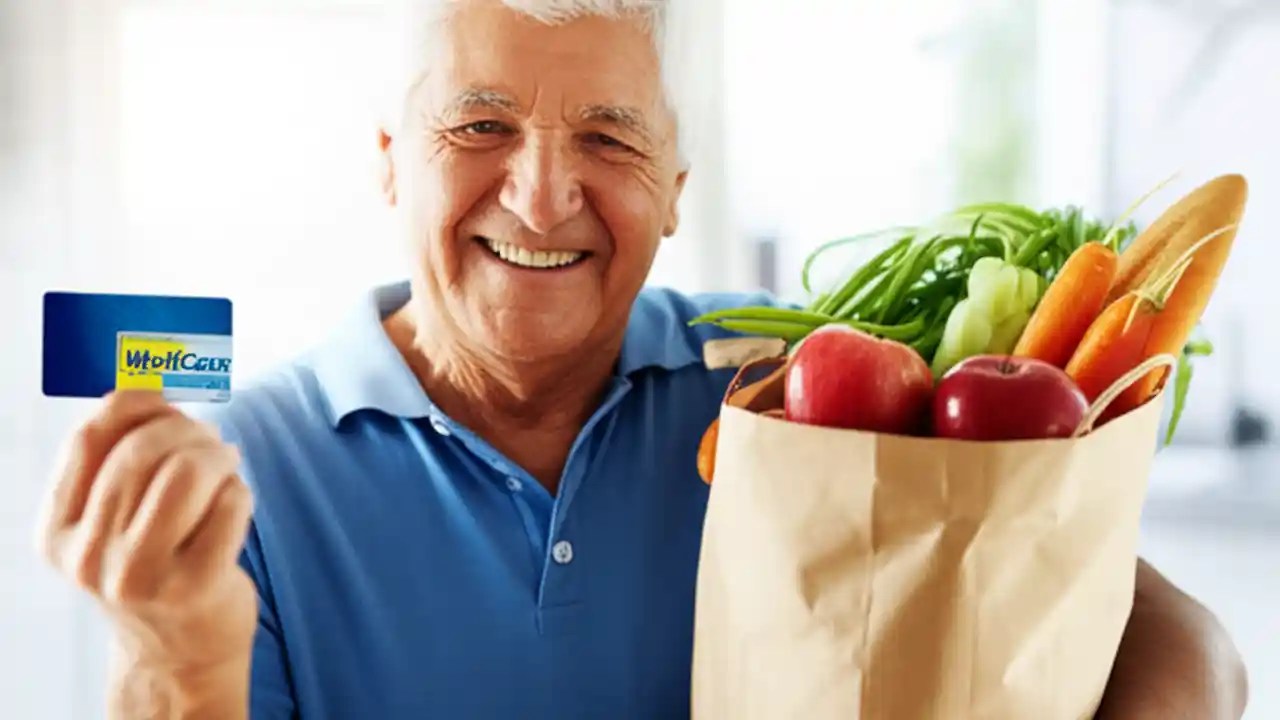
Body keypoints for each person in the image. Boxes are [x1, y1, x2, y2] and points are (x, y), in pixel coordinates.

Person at [34, 1, 1248, 718]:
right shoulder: (237, 470)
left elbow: (1164, 632)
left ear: (674, 190)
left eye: (607, 138)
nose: (542, 191)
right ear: (391, 160)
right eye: (479, 125)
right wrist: (168, 656)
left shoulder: (789, 385)